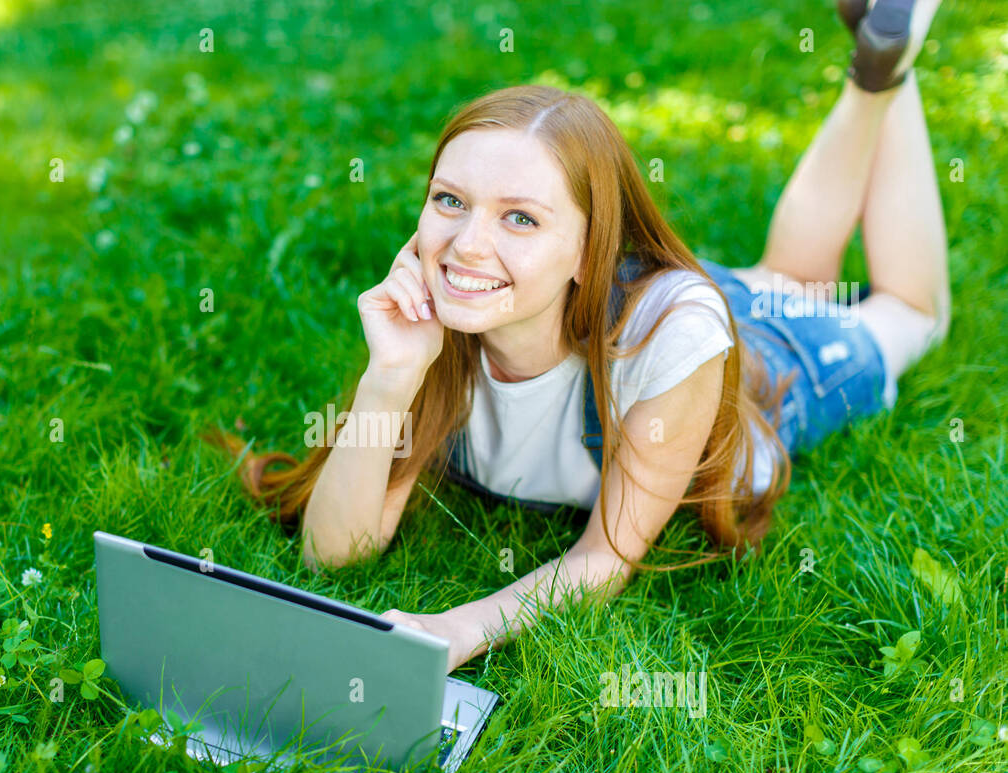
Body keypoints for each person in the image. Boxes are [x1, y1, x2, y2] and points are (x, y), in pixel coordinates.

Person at [210, 0, 949, 673]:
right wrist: (390, 376)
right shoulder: (447, 318)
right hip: (648, 302)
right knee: (787, 271)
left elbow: (604, 558)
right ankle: (874, 62)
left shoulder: (672, 340)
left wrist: (460, 627)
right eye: (450, 200)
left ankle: (894, 68)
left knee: (905, 311)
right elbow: (333, 555)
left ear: (592, 247)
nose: (467, 245)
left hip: (765, 366)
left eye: (520, 217)